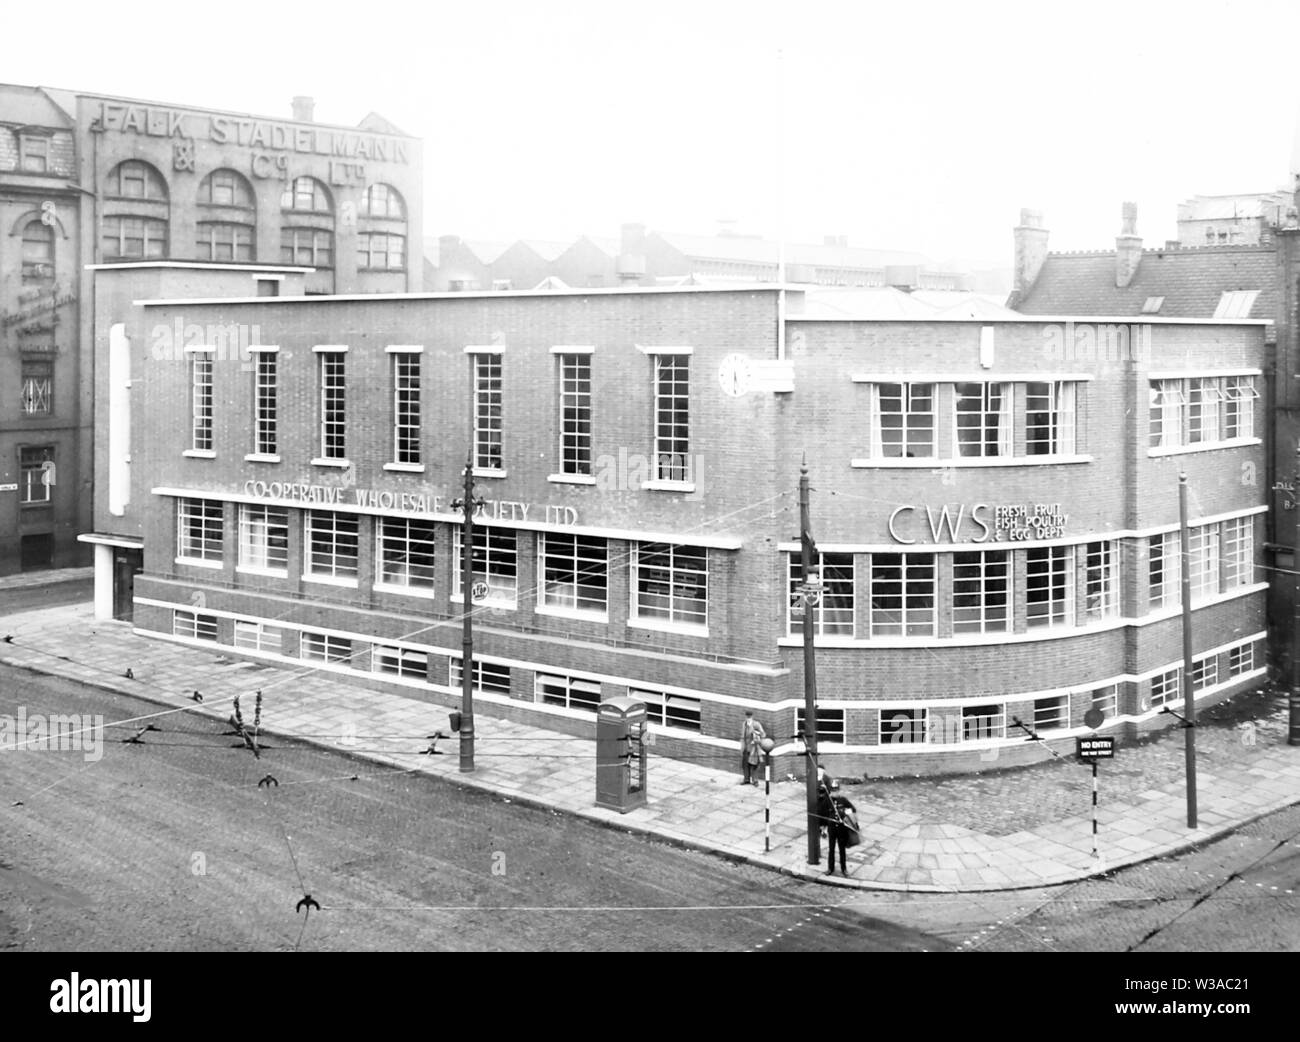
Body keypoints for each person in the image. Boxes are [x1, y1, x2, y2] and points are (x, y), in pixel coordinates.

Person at [818, 773, 856, 876]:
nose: (835, 793)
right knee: (831, 849)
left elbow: (852, 809)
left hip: (841, 829)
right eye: (833, 791)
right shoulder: (827, 801)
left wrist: (844, 813)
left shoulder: (843, 800)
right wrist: (822, 827)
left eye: (836, 790)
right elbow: (822, 813)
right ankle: (830, 868)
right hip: (831, 828)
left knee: (842, 849)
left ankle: (844, 869)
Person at [740, 711, 766, 785]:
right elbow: (742, 736)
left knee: (754, 765)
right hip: (746, 747)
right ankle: (746, 779)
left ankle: (755, 780)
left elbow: (763, 734)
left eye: (750, 716)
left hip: (754, 748)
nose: (748, 718)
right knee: (745, 764)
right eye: (747, 716)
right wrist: (742, 747)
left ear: (752, 716)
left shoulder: (756, 724)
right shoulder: (744, 724)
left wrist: (757, 738)